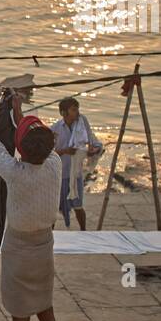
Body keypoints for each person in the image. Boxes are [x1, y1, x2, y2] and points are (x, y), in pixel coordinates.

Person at [0, 83, 62, 321]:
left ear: (21, 150)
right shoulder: (54, 164)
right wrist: (18, 112)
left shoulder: (14, 172)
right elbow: (38, 141)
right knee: (46, 310)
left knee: (20, 319)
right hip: (44, 246)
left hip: (18, 249)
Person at [52, 97, 104, 231]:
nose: (77, 113)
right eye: (74, 110)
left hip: (76, 175)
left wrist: (92, 150)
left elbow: (97, 144)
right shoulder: (55, 129)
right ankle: (48, 233)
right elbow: (48, 153)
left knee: (78, 206)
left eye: (77, 109)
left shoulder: (81, 127)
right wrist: (65, 151)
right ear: (63, 113)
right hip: (60, 175)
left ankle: (84, 232)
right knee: (54, 207)